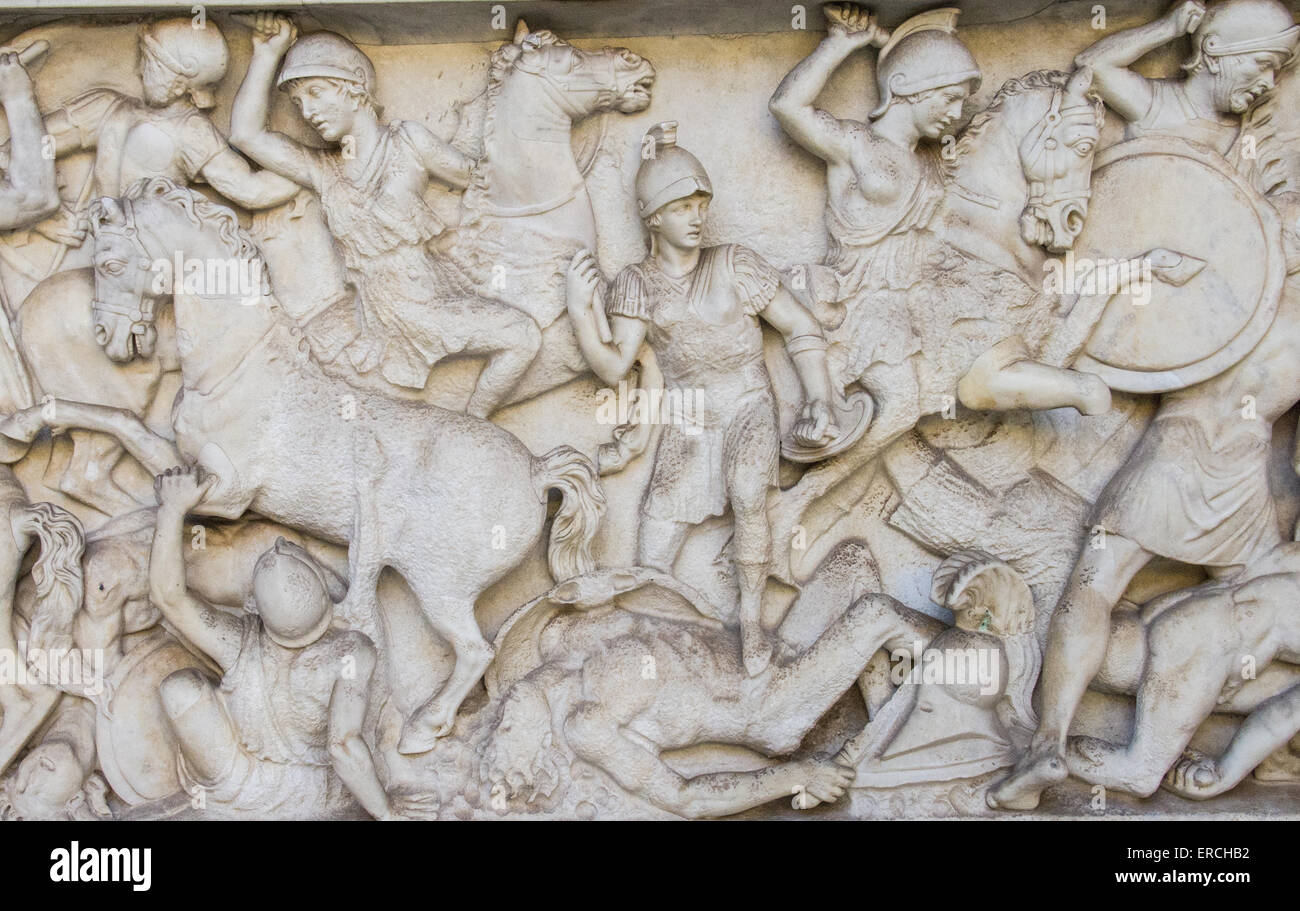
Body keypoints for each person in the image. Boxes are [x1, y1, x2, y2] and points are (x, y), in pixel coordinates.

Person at [991, 0, 1300, 810]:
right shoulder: (1186, 137)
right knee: (1252, 608)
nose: (1266, 87)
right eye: (1257, 67)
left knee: (1096, 579)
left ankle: (1050, 742)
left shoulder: (1258, 249)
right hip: (1235, 464)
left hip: (1189, 447)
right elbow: (1095, 75)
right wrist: (1171, 27)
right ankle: (1191, 727)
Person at [565, 122, 840, 676]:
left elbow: (800, 327)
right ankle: (639, 634)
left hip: (746, 403)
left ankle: (753, 621)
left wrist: (819, 398)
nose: (696, 217)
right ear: (653, 217)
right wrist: (580, 309)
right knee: (656, 532)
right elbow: (616, 366)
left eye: (700, 204)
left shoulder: (734, 262)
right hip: (688, 417)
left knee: (747, 492)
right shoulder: (636, 284)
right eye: (682, 206)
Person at [230, 14, 542, 418]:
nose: (306, 111)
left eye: (316, 92)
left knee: (526, 336)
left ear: (355, 86)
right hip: (383, 316)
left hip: (429, 300)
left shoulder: (408, 142)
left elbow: (481, 180)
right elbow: (245, 136)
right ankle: (472, 423)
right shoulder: (324, 171)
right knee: (523, 336)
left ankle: (474, 421)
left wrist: (522, 100)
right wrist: (266, 54)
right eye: (297, 101)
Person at [149, 466, 423, 819]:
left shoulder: (237, 640)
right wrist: (386, 814)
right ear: (324, 593)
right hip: (314, 795)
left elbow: (168, 598)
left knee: (180, 689)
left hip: (239, 789)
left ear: (253, 607)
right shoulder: (350, 651)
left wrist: (171, 509)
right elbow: (342, 746)